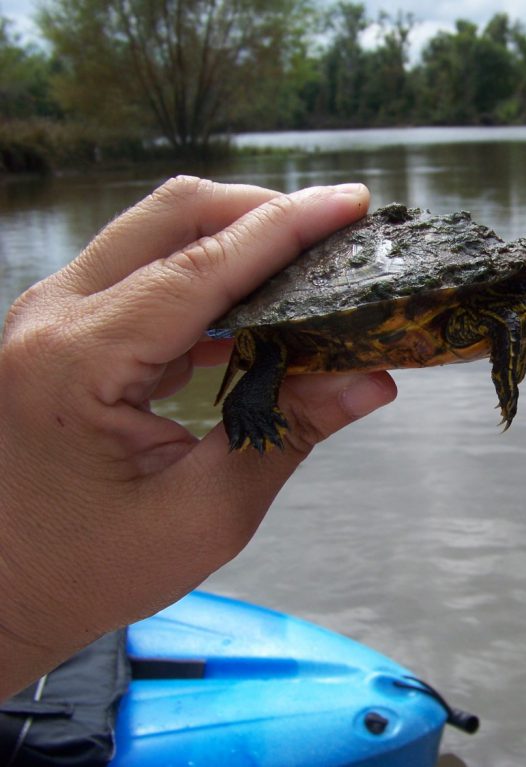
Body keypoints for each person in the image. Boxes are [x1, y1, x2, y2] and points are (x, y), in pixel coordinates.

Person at [0, 177, 397, 700]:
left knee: (268, 351)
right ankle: (248, 408)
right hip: (288, 332)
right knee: (264, 364)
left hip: (327, 316)